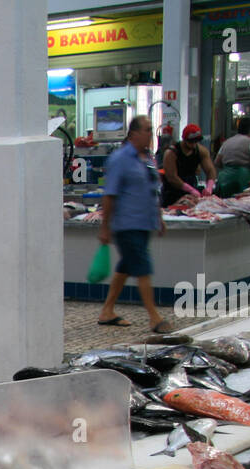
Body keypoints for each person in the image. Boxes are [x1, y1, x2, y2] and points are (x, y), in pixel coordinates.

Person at [95, 116, 172, 334]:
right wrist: (105, 227)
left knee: (127, 266)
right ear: (134, 133)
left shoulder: (146, 158)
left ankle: (107, 311)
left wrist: (158, 217)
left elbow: (152, 189)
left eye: (151, 130)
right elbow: (110, 195)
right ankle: (154, 317)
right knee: (142, 268)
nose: (150, 134)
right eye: (147, 130)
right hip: (126, 224)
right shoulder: (120, 159)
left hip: (144, 222)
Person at [160, 124, 217, 206]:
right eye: (191, 142)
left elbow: (210, 170)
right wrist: (190, 190)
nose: (193, 145)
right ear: (184, 139)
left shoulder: (201, 151)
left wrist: (209, 187)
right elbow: (172, 177)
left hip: (191, 187)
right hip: (173, 191)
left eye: (196, 142)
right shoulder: (171, 153)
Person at [214, 117, 250, 197]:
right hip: (242, 179)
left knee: (224, 205)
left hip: (224, 179)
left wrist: (228, 167)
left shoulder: (227, 142)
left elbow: (217, 162)